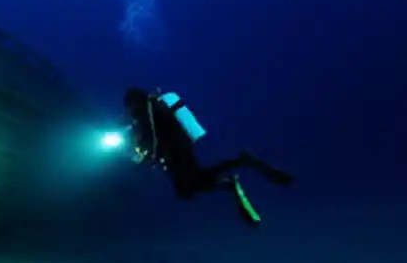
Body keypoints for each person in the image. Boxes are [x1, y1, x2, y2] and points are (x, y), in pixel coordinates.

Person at [124, 87, 293, 225]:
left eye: (130, 106)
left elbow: (154, 139)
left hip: (177, 154)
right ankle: (235, 173)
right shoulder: (152, 110)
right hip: (179, 152)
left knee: (188, 189)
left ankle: (237, 169)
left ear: (134, 102)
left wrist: (147, 157)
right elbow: (153, 139)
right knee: (193, 186)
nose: (130, 111)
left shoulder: (151, 112)